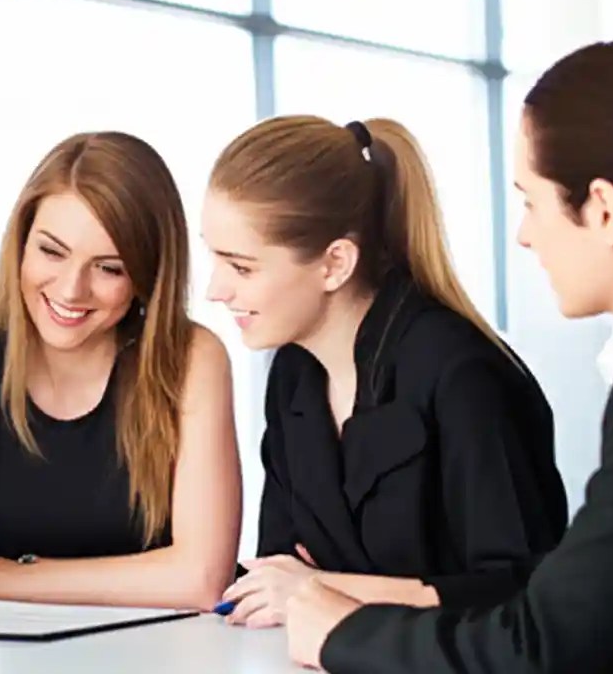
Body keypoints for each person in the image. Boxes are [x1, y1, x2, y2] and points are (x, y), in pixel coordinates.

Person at [287, 38, 613, 673]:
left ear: (605, 210)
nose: (525, 234)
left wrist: (342, 635)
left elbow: (547, 646)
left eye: (532, 201)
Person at [201, 114, 568, 628]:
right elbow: (277, 574)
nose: (215, 290)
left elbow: (523, 593)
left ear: (335, 264)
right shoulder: (292, 374)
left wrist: (324, 589)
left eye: (241, 267)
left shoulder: (464, 375)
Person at [0, 131, 241, 609]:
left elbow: (200, 580)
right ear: (21, 244)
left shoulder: (193, 358)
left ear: (146, 277)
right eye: (51, 251)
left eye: (109, 268)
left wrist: (9, 575)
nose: (72, 290)